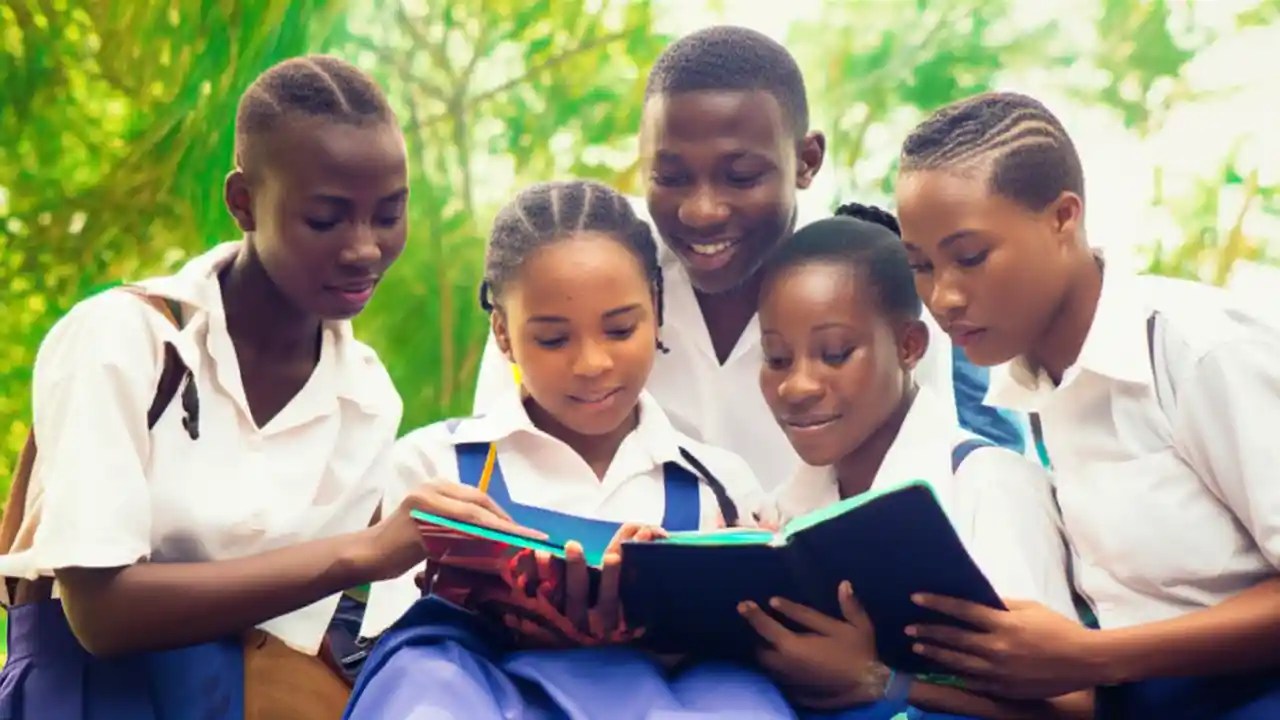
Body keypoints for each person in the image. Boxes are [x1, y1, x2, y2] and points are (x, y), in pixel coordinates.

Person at [0, 55, 520, 720]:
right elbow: (99, 617)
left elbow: (285, 638)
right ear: (243, 203)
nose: (365, 248)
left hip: (243, 700)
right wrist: (364, 552)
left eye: (389, 214)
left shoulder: (364, 398)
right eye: (327, 219)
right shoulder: (123, 342)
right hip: (93, 700)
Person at [474, 26, 1021, 492]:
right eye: (670, 177)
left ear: (806, 160)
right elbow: (493, 462)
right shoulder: (578, 273)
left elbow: (930, 479)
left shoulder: (867, 283)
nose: (703, 210)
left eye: (741, 177)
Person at [893, 91, 1280, 719]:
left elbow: (1101, 653)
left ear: (1063, 218)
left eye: (970, 258)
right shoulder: (1030, 382)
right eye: (921, 266)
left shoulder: (1198, 351)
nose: (944, 297)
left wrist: (1092, 657)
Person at [346, 180, 781, 720]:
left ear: (658, 308)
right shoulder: (437, 468)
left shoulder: (719, 488)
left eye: (620, 329)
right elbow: (400, 665)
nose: (592, 363)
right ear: (503, 334)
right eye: (553, 339)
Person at [735, 209, 1089, 719]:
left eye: (835, 354)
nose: (797, 387)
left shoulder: (986, 485)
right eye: (777, 358)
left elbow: (1074, 707)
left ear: (908, 346)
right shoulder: (783, 513)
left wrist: (883, 682)